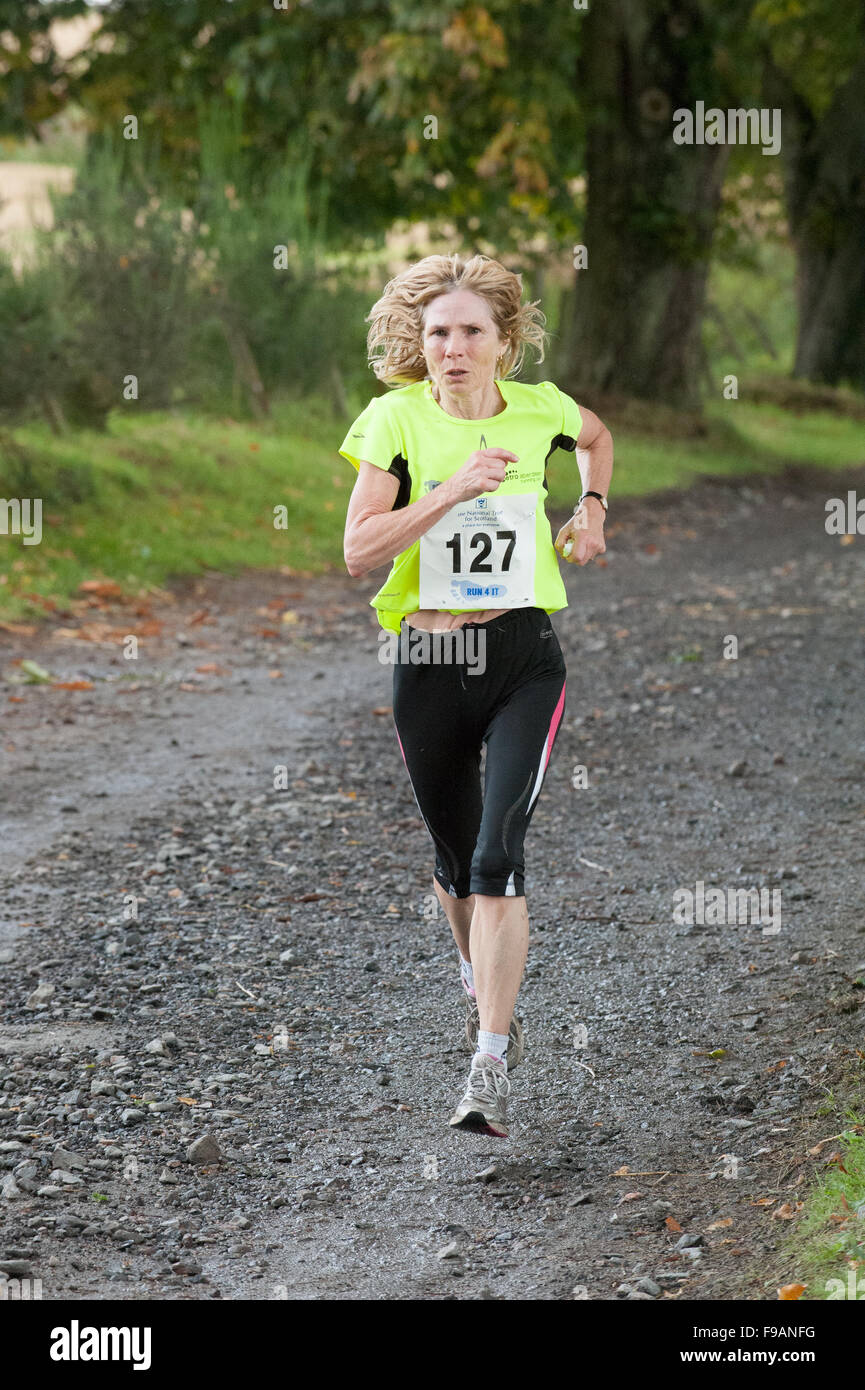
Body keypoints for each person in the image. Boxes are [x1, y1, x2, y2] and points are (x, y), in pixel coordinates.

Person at [339, 253, 612, 1137]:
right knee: (455, 863)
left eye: (469, 333)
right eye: (436, 334)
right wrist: (449, 491)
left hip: (523, 657)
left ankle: (488, 1064)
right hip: (425, 658)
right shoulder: (394, 420)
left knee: (498, 854)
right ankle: (477, 978)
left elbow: (597, 438)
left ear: (505, 341)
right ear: (419, 344)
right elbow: (358, 550)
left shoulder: (540, 412)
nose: (451, 349)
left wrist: (592, 508)